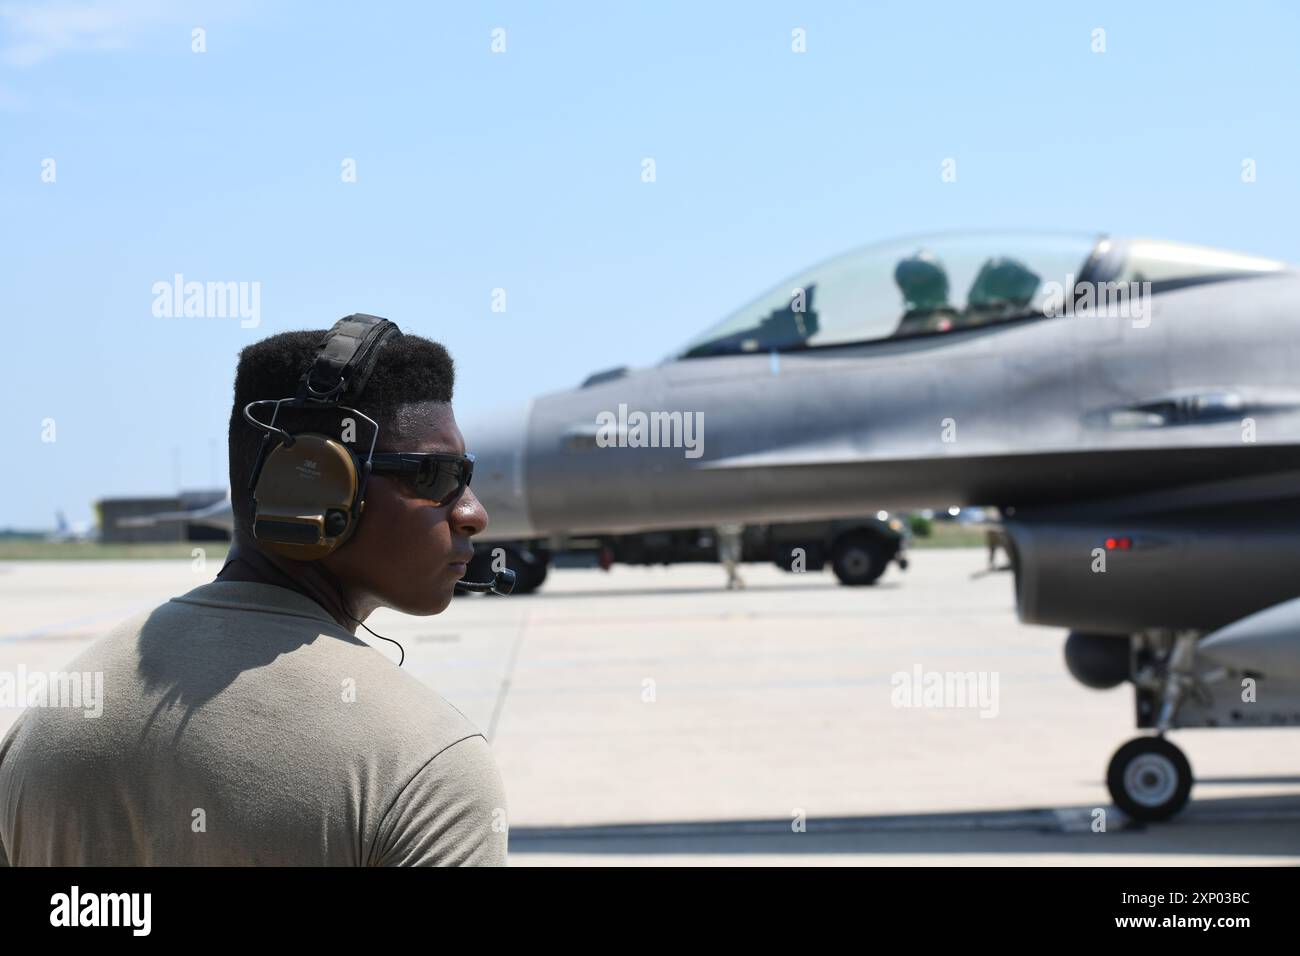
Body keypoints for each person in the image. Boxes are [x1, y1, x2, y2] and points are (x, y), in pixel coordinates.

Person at [0, 322, 507, 866]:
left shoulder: (43, 729)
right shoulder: (425, 768)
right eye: (435, 475)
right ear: (309, 486)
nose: (472, 512)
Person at [717, 522, 746, 589]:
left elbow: (741, 526)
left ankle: (732, 581)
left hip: (734, 539)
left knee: (732, 561)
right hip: (725, 539)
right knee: (726, 560)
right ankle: (738, 580)